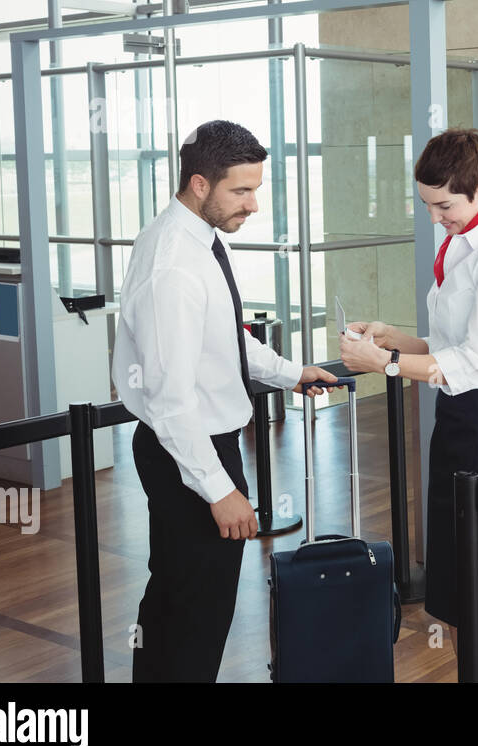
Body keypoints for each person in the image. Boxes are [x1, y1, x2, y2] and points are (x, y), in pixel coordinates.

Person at [113, 119, 341, 683]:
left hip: (196, 446)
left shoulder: (197, 240)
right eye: (241, 191)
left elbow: (224, 337)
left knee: (177, 596)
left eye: (255, 188)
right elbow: (169, 402)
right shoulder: (173, 266)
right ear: (199, 184)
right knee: (198, 610)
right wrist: (219, 490)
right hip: (188, 453)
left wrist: (288, 373)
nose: (253, 205)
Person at [340, 127, 478, 683]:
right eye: (427, 205)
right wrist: (390, 338)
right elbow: (445, 350)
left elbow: (474, 363)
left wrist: (381, 365)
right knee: (454, 592)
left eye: (443, 205)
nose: (435, 218)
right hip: (456, 422)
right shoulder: (459, 240)